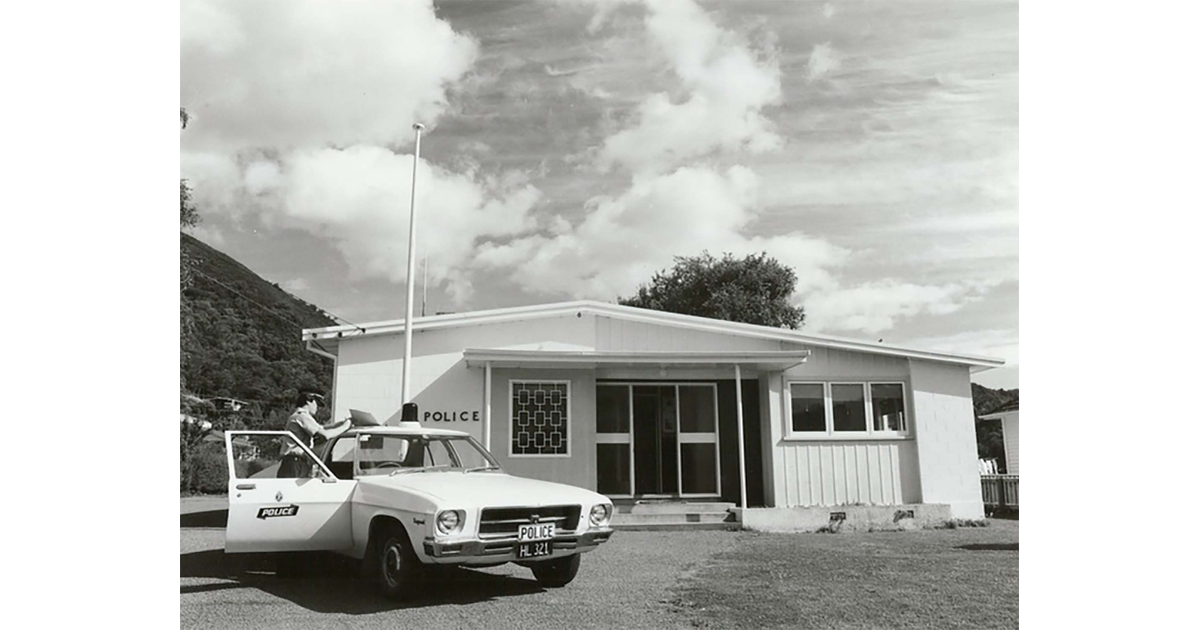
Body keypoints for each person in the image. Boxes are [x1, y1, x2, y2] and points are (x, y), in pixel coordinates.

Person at [278, 391, 350, 478]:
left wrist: (340, 424)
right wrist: (346, 426)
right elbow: (325, 435)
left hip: (296, 461)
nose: (317, 408)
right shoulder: (302, 416)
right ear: (308, 401)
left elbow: (321, 428)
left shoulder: (300, 416)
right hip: (295, 462)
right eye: (316, 404)